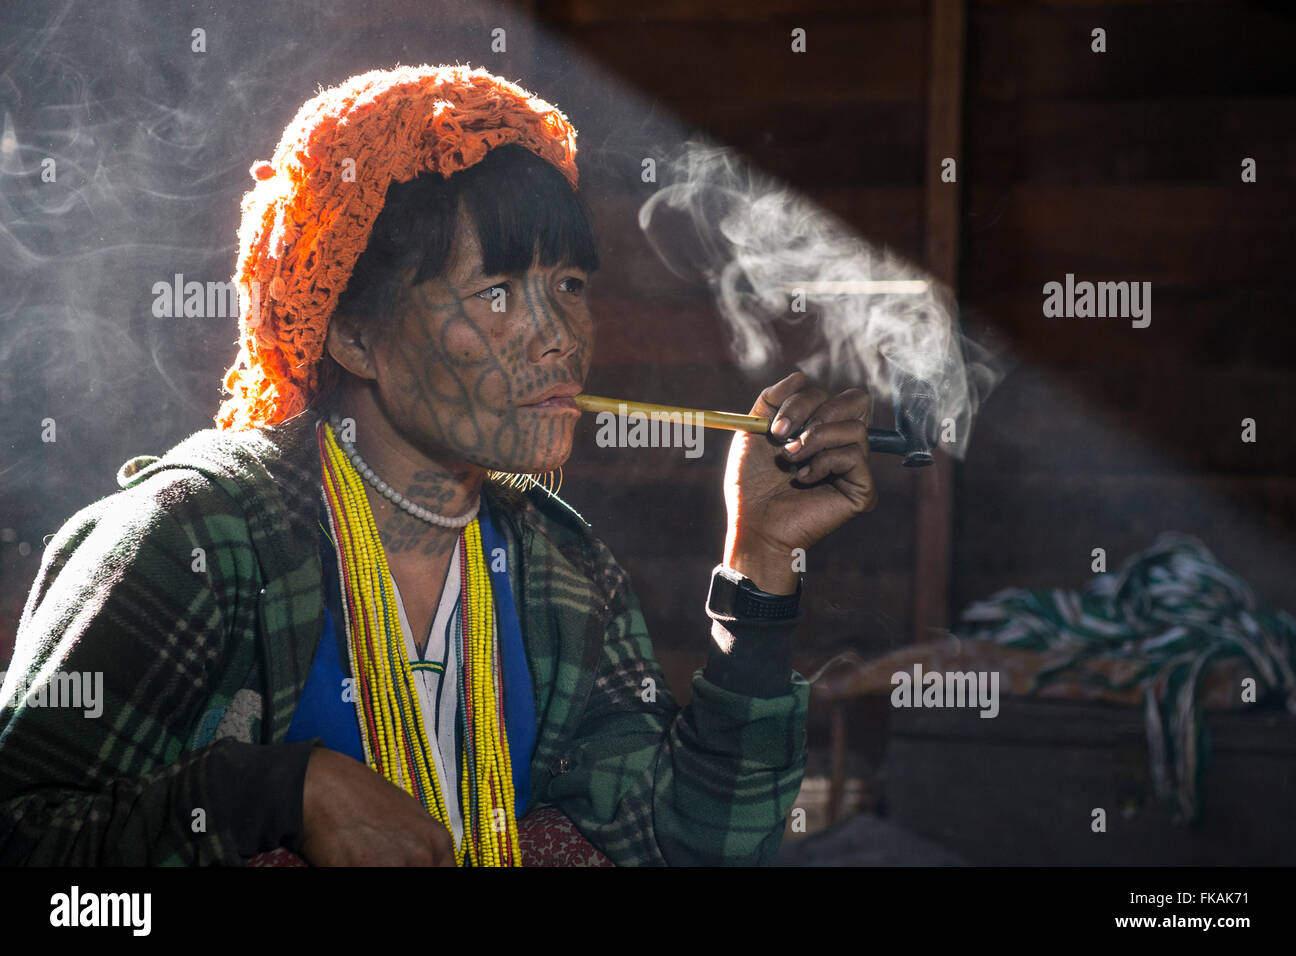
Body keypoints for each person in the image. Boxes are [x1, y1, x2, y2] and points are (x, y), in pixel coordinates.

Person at [0, 64, 877, 866]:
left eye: (569, 286)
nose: (558, 338)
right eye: (496, 294)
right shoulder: (204, 540)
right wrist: (273, 791)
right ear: (354, 335)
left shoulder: (558, 571)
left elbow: (688, 840)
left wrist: (758, 562)